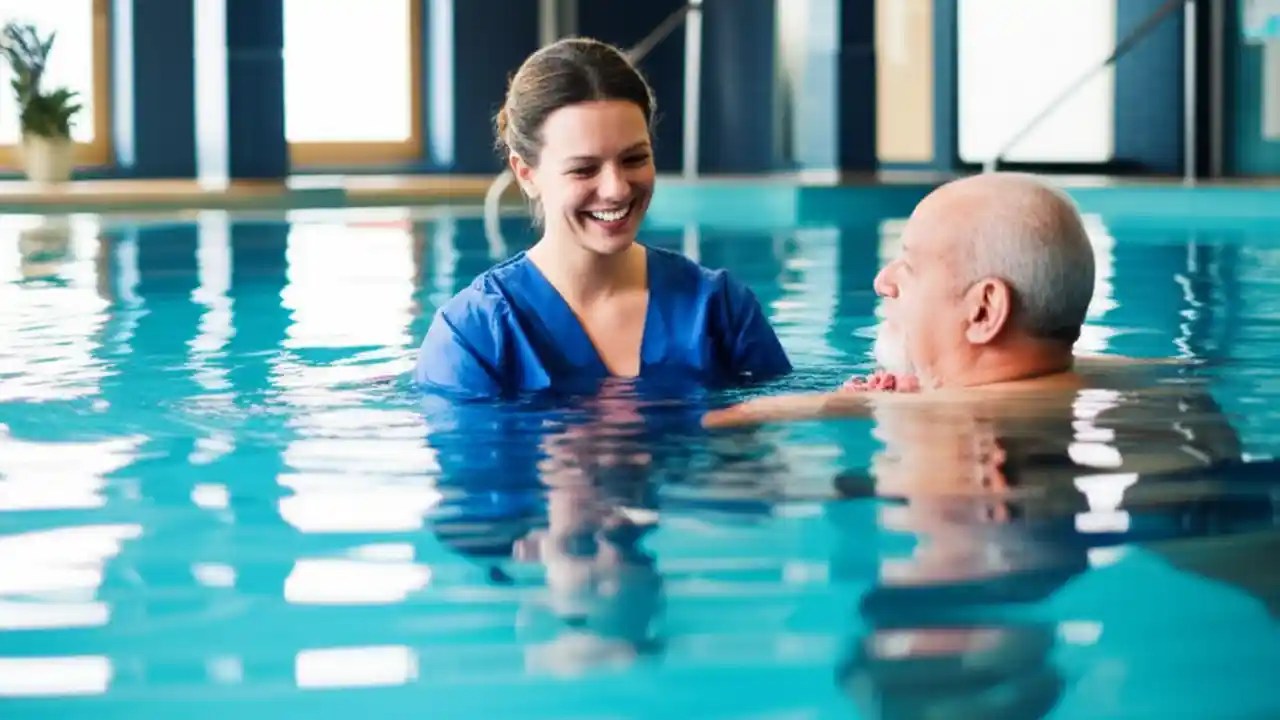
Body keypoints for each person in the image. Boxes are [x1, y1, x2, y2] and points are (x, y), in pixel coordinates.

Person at [414, 38, 791, 398]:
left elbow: (767, 447)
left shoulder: (718, 310)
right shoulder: (475, 334)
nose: (616, 189)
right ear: (526, 174)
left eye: (634, 159)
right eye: (584, 169)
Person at [703, 171, 1146, 428]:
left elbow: (723, 422)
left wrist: (856, 403)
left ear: (984, 310)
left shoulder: (947, 424)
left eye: (909, 266)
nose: (883, 282)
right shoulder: (1113, 383)